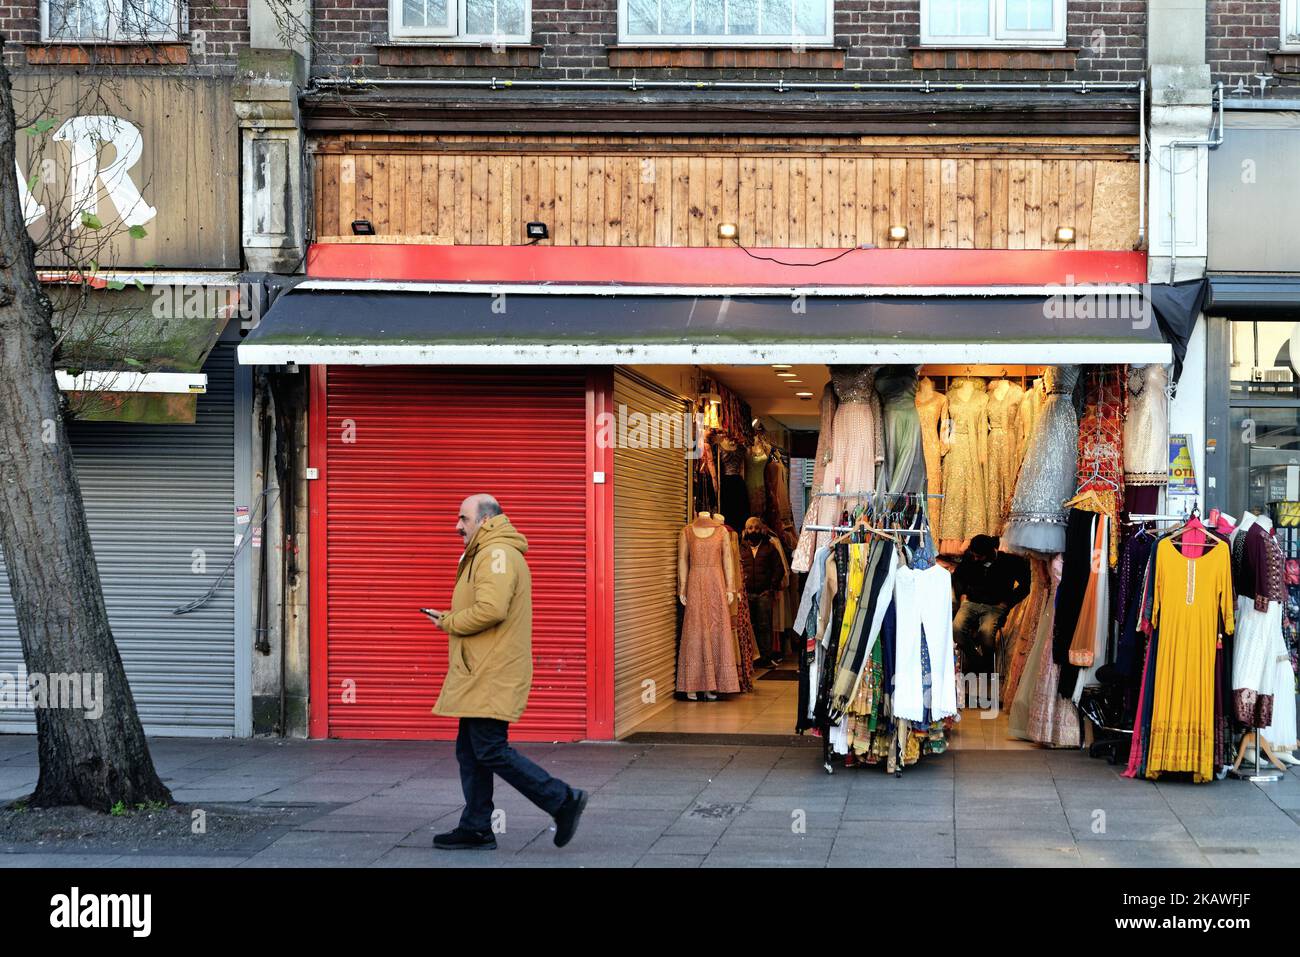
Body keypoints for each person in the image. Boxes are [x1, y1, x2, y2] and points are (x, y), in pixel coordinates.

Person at [423, 493, 588, 851]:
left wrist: (448, 622)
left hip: (491, 671)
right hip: (480, 669)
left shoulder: (496, 554)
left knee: (490, 749)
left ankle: (562, 800)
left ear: (484, 521)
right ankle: (477, 826)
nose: (457, 526)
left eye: (463, 518)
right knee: (470, 750)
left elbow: (492, 609)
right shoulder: (487, 551)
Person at [951, 534, 1031, 677]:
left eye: (979, 556)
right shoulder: (970, 558)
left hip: (995, 606)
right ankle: (978, 662)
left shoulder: (1009, 561)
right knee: (955, 629)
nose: (975, 559)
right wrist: (961, 594)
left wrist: (1008, 602)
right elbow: (957, 577)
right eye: (974, 555)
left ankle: (986, 663)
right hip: (971, 602)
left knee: (986, 633)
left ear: (989, 552)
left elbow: (1026, 585)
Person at [740, 517, 788, 667]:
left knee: (764, 626)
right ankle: (750, 658)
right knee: (748, 627)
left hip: (763, 594)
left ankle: (765, 658)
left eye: (755, 527)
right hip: (746, 594)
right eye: (750, 528)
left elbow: (779, 569)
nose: (753, 531)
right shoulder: (740, 548)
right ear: (745, 530)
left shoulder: (770, 547)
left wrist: (771, 587)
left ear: (761, 529)